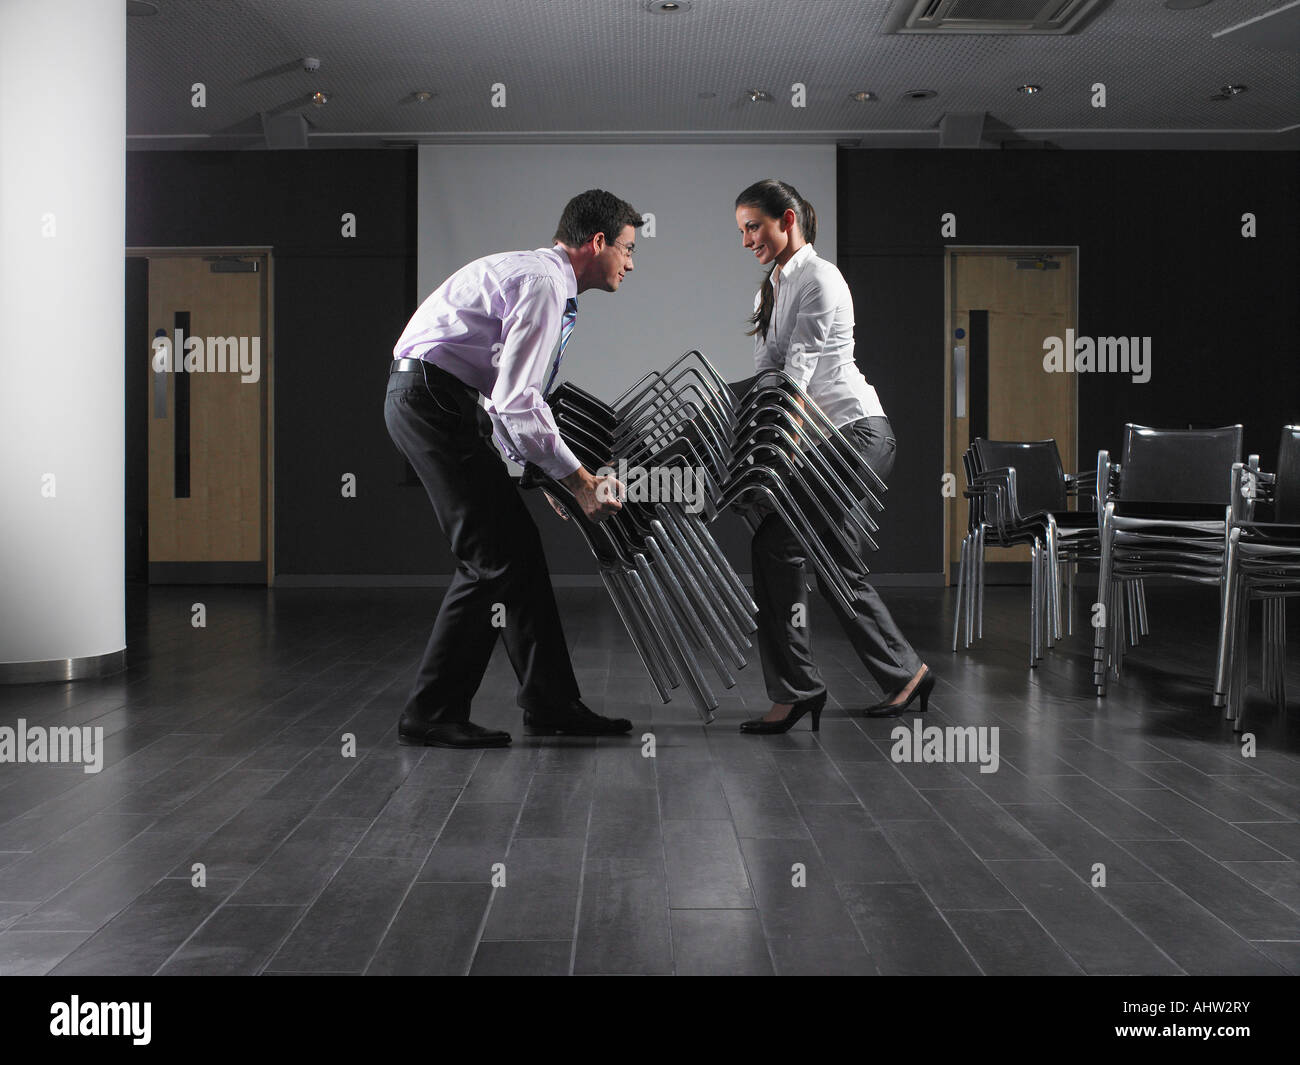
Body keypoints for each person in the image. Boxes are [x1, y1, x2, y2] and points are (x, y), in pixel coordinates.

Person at [384, 189, 641, 748]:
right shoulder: (547, 285)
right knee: (491, 557)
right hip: (432, 399)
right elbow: (516, 402)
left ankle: (551, 704)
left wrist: (539, 472)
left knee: (514, 551)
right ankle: (431, 712)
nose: (629, 261)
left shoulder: (541, 277)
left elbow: (507, 397)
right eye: (625, 248)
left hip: (437, 399)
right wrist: (578, 481)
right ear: (597, 242)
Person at [732, 179, 933, 734]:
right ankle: (905, 675)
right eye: (743, 229)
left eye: (755, 226)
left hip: (855, 436)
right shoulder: (769, 289)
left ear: (788, 219)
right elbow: (770, 376)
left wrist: (773, 461)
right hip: (822, 442)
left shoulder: (820, 278)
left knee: (776, 544)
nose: (747, 239)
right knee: (834, 564)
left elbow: (795, 381)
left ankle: (795, 692)